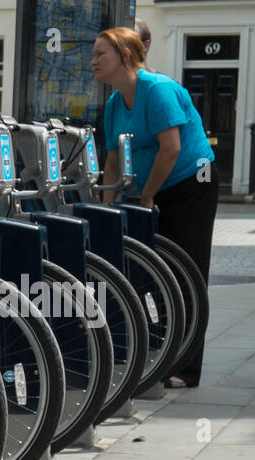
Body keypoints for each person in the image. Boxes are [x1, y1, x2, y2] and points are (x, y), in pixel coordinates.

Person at [95, 26, 217, 388]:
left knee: (187, 267)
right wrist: (107, 210)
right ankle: (160, 354)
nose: (93, 61)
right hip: (158, 184)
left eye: (101, 54)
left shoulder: (157, 89)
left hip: (194, 179)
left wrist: (148, 196)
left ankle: (187, 368)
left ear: (126, 57)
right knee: (155, 271)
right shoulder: (116, 103)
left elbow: (172, 148)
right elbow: (113, 162)